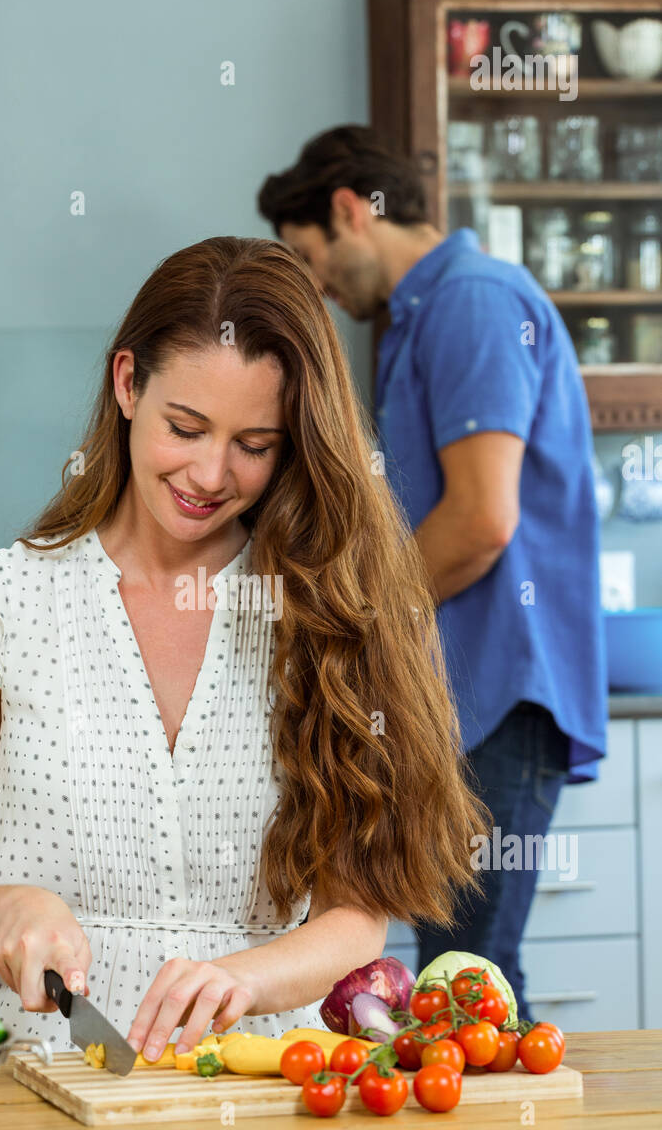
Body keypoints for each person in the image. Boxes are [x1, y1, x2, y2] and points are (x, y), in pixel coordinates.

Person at [0, 235, 487, 1058]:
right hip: (42, 1072)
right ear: (129, 384)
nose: (210, 474)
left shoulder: (329, 613)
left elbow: (357, 917)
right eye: (187, 426)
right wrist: (9, 908)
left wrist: (246, 980)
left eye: (254, 445)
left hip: (266, 1071)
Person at [258, 125, 607, 1020]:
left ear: (350, 212)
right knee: (456, 977)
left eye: (311, 258)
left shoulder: (473, 302)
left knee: (469, 980)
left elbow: (482, 520)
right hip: (465, 698)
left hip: (501, 698)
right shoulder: (423, 318)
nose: (322, 291)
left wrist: (353, 615)